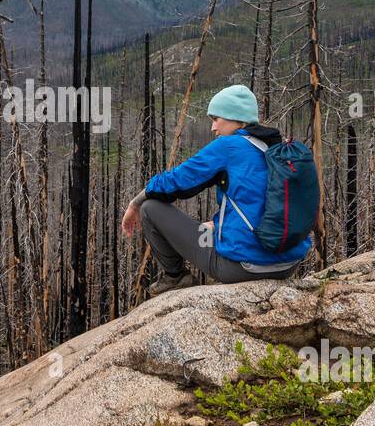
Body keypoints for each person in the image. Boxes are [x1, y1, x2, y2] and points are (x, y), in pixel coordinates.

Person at [120, 84, 313, 296]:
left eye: (216, 119)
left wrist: (135, 203)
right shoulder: (273, 149)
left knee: (150, 208)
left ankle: (175, 278)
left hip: (241, 267)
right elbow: (262, 204)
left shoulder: (229, 146)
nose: (213, 127)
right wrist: (220, 224)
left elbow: (175, 180)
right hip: (288, 265)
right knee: (208, 230)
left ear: (234, 117)